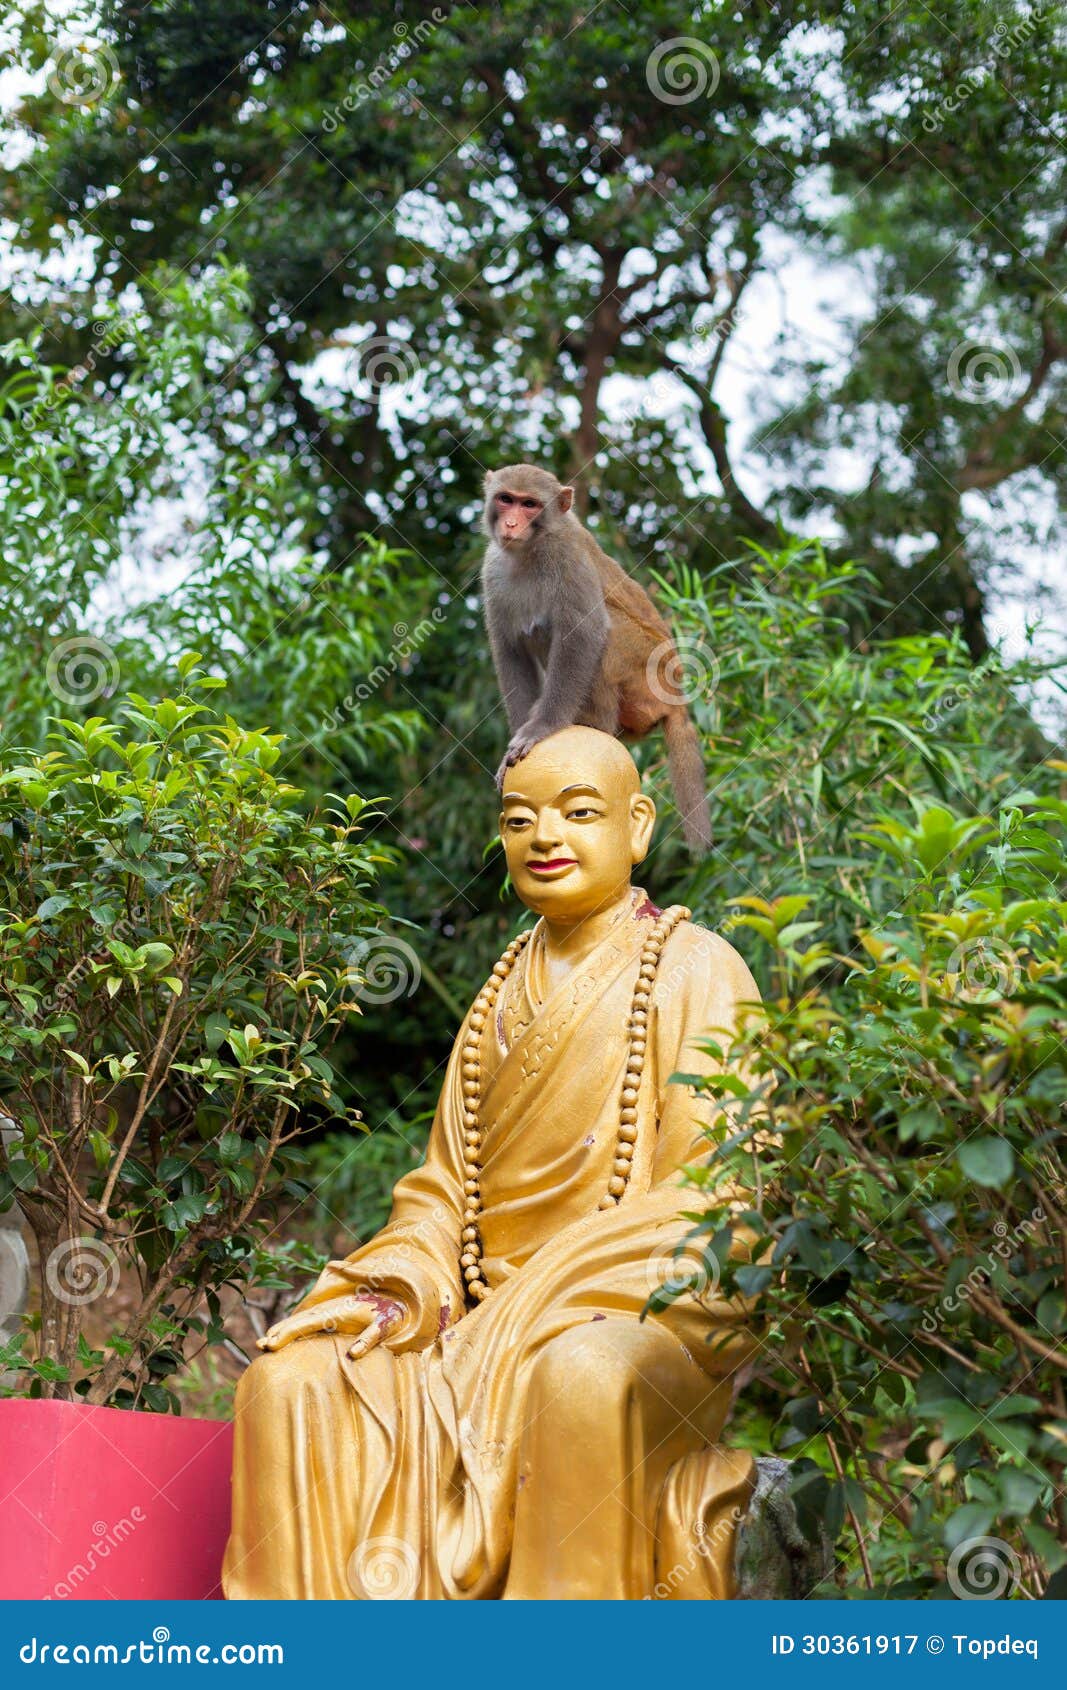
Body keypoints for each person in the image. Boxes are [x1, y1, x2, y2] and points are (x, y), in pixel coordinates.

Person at [223, 726, 761, 1600]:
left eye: (577, 813)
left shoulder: (700, 971)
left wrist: (540, 1301)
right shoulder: (495, 1001)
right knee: (287, 1387)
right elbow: (441, 1194)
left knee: (578, 1377)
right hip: (468, 1321)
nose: (544, 837)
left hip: (633, 1326)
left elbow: (718, 1197)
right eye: (519, 820)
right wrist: (400, 1282)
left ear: (638, 828)